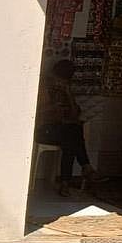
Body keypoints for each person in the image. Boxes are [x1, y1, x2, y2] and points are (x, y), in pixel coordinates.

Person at [37, 59, 103, 196]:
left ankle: (65, 182)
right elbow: (37, 114)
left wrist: (68, 94)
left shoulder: (65, 91)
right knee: (73, 134)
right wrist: (53, 107)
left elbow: (75, 115)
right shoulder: (43, 89)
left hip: (62, 131)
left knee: (72, 136)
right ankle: (85, 167)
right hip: (45, 130)